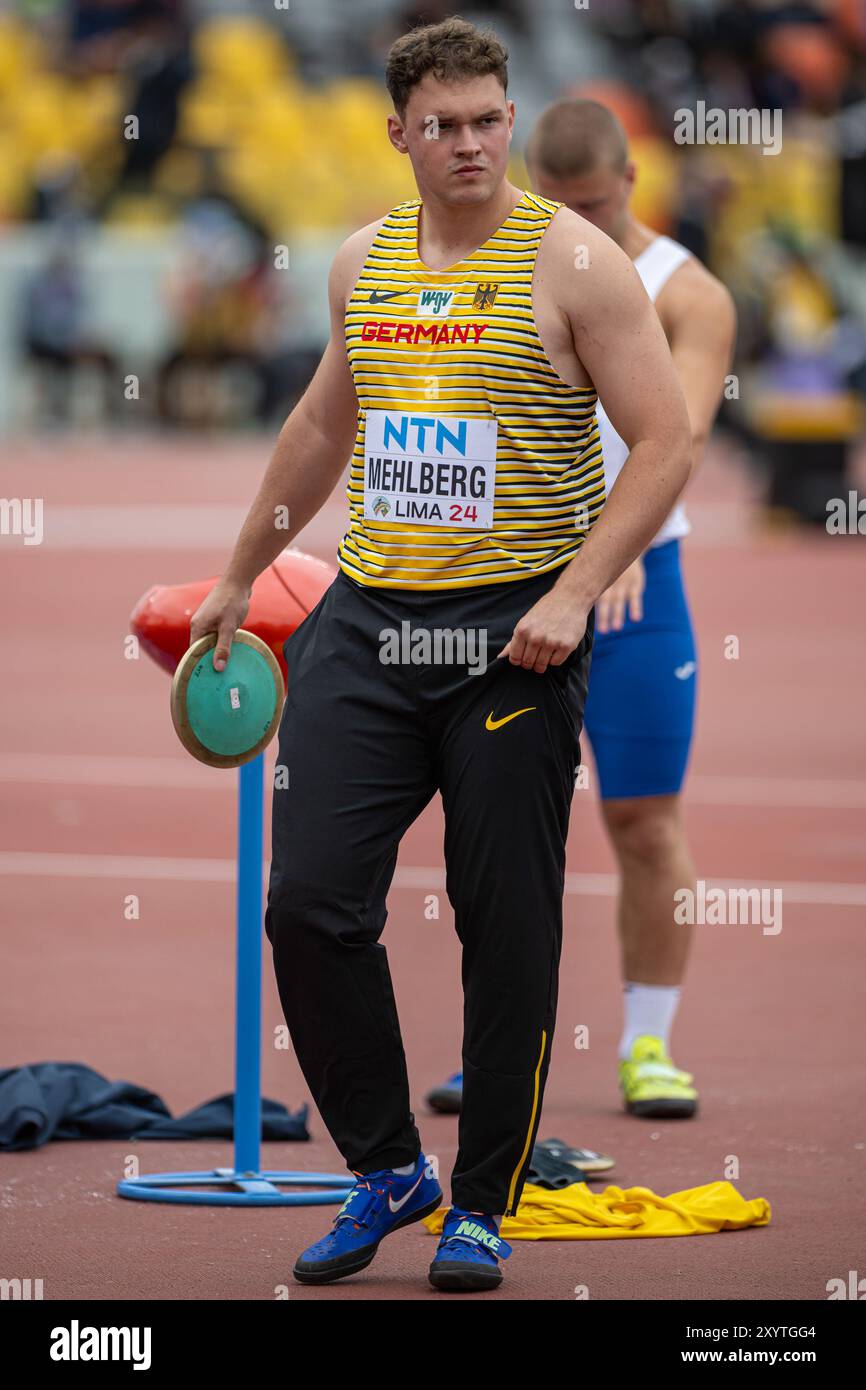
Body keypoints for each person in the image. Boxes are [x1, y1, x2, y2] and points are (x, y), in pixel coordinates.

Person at [189, 21, 691, 1293]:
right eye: (443, 124)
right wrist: (242, 572)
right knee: (305, 901)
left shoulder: (574, 264)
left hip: (511, 632)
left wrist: (578, 592)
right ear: (398, 132)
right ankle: (385, 1169)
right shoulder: (363, 261)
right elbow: (319, 423)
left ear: (508, 120)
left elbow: (667, 439)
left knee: (503, 921)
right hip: (367, 617)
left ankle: (481, 1201)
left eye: (487, 119)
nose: (468, 144)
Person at [428, 99, 736, 1124]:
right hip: (513, 575)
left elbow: (675, 436)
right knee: (505, 828)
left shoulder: (689, 293)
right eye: (560, 206)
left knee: (642, 818)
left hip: (637, 580)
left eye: (595, 205)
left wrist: (613, 558)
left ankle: (647, 1044)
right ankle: (502, 1051)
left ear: (630, 182)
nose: (581, 227)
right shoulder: (502, 258)